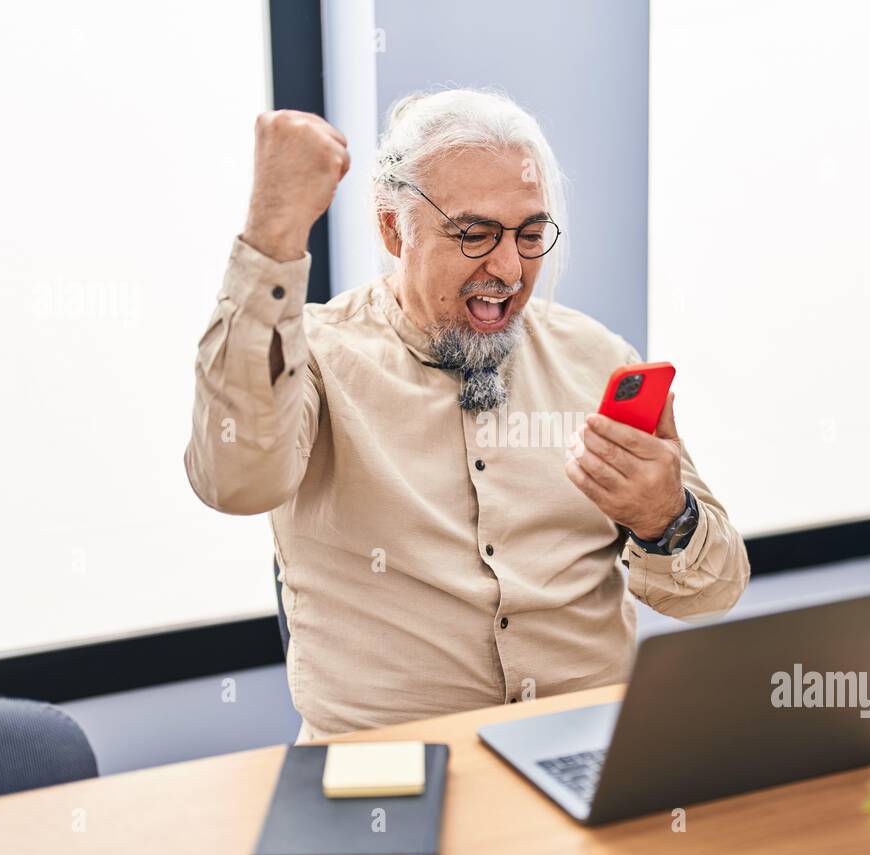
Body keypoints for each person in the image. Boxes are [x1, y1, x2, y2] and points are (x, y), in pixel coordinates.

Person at [185, 88, 750, 741]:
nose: (509, 268)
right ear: (393, 228)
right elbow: (234, 481)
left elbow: (716, 591)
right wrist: (273, 230)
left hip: (585, 753)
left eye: (531, 235)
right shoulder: (313, 355)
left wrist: (663, 519)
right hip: (388, 771)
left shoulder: (597, 359)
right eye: (474, 234)